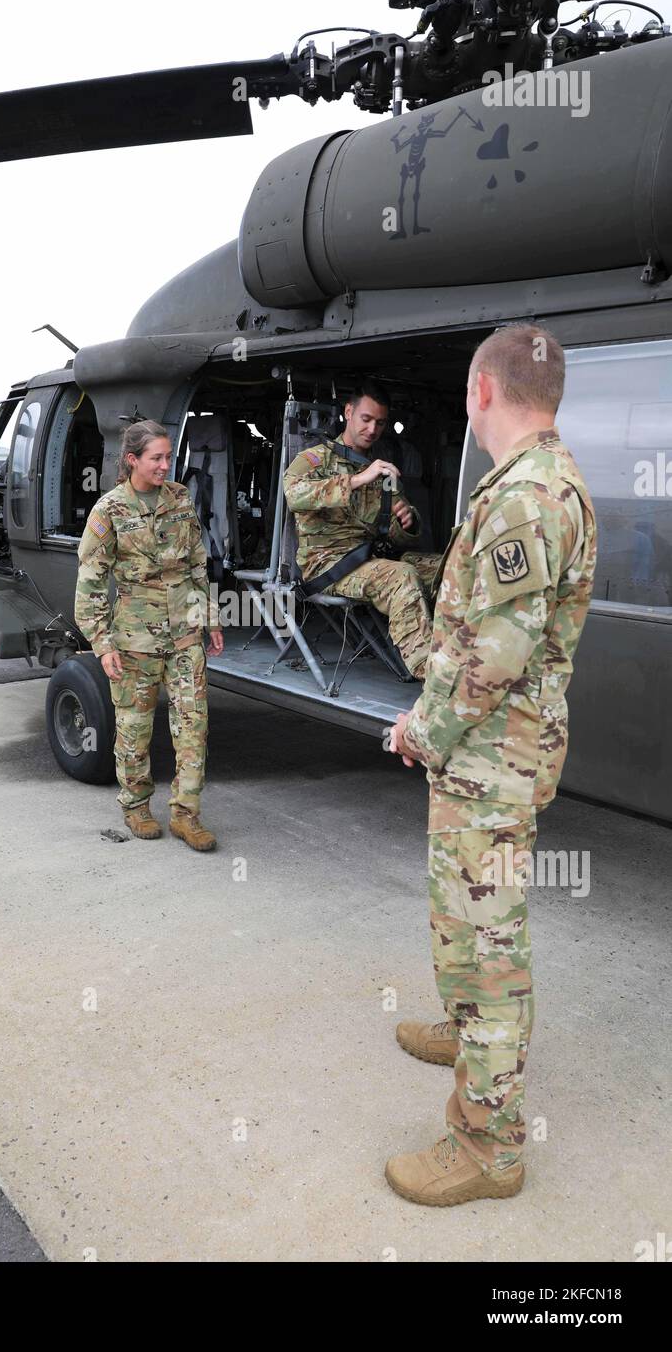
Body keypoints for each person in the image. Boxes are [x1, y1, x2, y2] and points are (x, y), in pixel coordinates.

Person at [387, 323, 597, 1205]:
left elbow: (497, 652)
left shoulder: (524, 496)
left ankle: (488, 1146)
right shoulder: (539, 481)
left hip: (488, 758)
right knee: (476, 929)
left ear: (481, 392)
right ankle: (469, 1025)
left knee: (487, 945)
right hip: (497, 754)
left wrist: (420, 733)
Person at [74, 420, 223, 851]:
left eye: (167, 456)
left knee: (194, 726)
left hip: (184, 634)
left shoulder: (179, 498)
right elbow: (90, 583)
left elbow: (198, 562)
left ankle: (186, 815)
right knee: (135, 728)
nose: (165, 465)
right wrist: (102, 644)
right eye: (156, 457)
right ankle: (136, 805)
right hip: (135, 640)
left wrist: (210, 616)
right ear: (132, 460)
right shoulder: (110, 510)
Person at [283, 381, 441, 679]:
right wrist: (357, 480)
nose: (373, 430)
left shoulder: (381, 470)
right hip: (327, 565)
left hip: (370, 560)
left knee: (450, 568)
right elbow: (294, 496)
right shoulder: (314, 460)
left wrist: (407, 520)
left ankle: (465, 659)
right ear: (348, 413)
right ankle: (432, 676)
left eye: (380, 423)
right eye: (366, 420)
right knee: (401, 576)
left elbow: (397, 532)